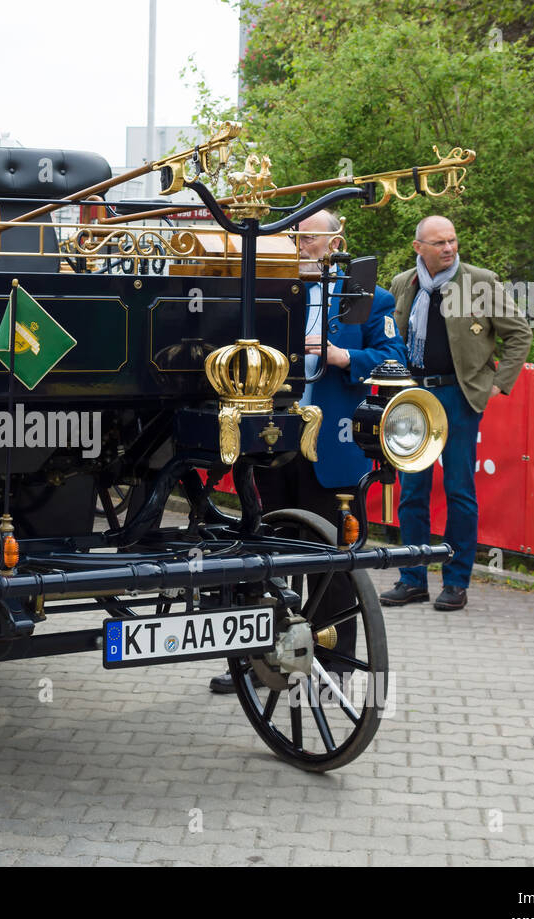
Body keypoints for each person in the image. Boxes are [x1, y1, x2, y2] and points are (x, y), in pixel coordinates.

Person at [210, 209, 406, 692]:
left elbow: (395, 362)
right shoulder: (267, 293)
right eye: (295, 234)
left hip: (334, 448)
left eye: (310, 236)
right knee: (263, 554)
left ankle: (336, 662)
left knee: (334, 558)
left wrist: (343, 357)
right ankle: (256, 666)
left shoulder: (368, 299)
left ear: (336, 241)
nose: (300, 243)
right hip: (272, 442)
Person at [379, 215, 531, 611]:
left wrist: (498, 385)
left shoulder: (479, 282)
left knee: (459, 490)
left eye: (452, 241)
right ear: (419, 249)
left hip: (458, 397)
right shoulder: (402, 284)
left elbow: (519, 333)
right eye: (439, 243)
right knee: (412, 492)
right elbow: (392, 339)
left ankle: (456, 581)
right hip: (412, 397)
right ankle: (412, 578)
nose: (448, 248)